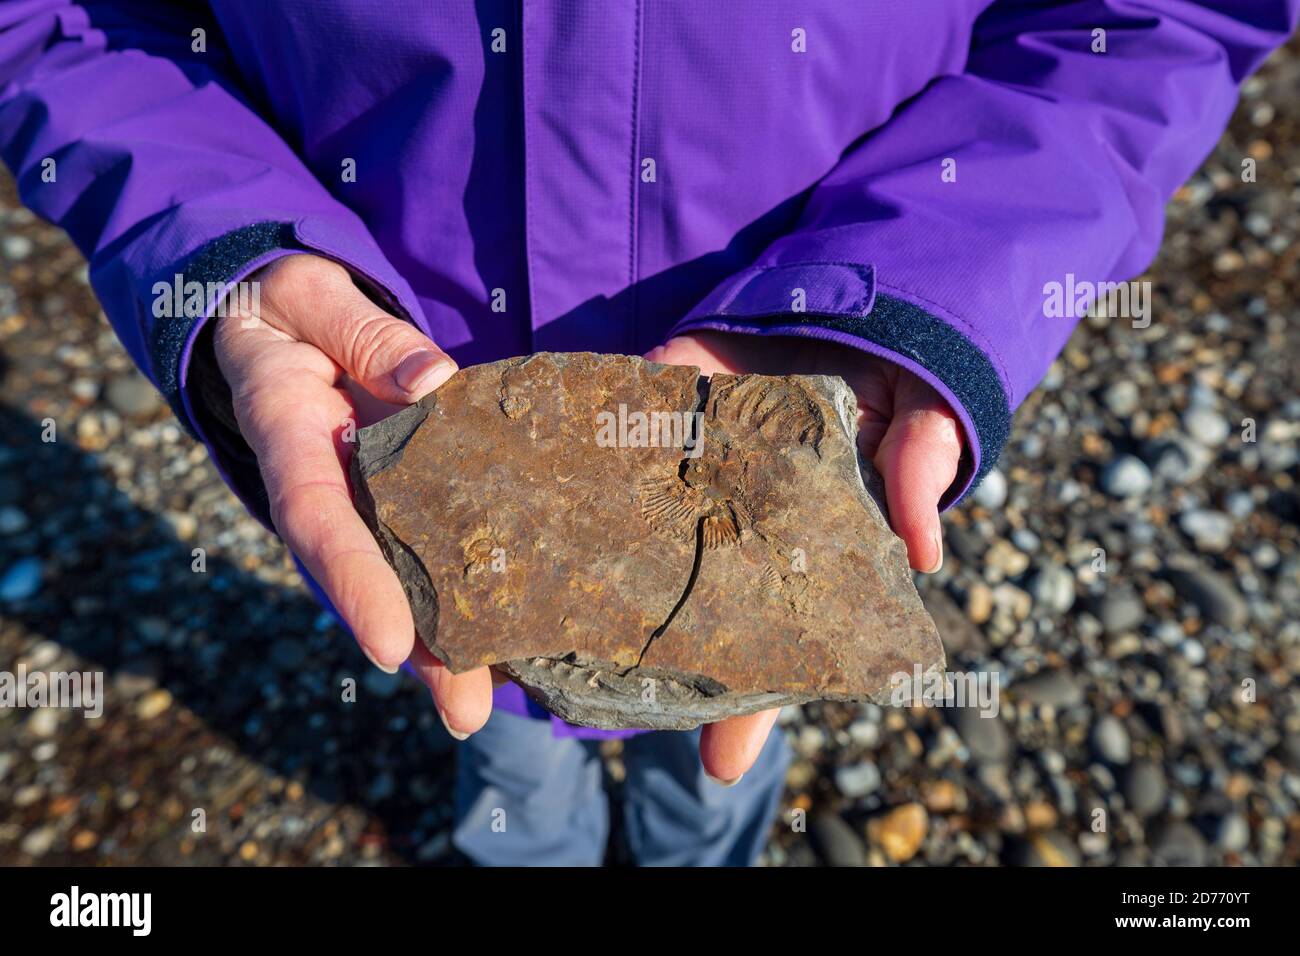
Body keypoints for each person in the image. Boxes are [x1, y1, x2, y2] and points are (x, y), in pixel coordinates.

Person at [1, 1, 1294, 866]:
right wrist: (227, 241)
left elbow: (1154, 17)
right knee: (491, 720)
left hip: (801, 370)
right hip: (409, 394)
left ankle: (685, 841)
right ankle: (527, 837)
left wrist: (920, 291)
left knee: (723, 746)